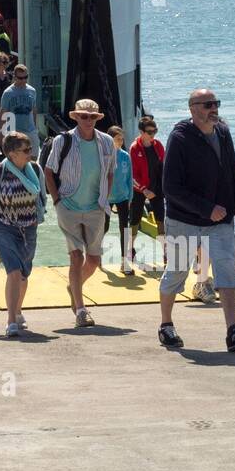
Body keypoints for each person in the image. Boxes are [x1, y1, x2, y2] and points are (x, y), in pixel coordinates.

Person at [158, 88, 235, 353]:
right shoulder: (179, 138)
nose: (213, 109)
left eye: (216, 104)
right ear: (192, 108)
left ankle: (233, 331)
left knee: (226, 270)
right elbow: (170, 188)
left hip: (221, 220)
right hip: (183, 220)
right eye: (207, 105)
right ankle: (166, 325)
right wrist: (206, 208)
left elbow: (234, 174)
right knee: (177, 272)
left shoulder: (223, 133)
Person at [44, 98, 115, 328]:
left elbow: (110, 172)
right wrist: (57, 201)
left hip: (96, 207)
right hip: (69, 207)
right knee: (77, 257)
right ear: (76, 117)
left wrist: (106, 199)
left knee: (93, 261)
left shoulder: (106, 142)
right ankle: (81, 310)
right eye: (84, 116)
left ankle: (73, 288)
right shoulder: (62, 141)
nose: (88, 120)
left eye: (92, 117)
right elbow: (49, 170)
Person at [0, 132, 48, 338]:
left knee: (24, 274)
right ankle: (10, 321)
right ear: (11, 154)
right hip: (2, 226)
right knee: (14, 271)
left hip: (28, 228)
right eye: (25, 150)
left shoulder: (35, 169)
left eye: (30, 149)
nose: (30, 154)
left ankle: (17, 310)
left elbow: (42, 195)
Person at [129, 114, 166, 266]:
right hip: (140, 190)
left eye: (155, 131)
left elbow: (163, 168)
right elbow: (132, 174)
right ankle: (129, 248)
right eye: (150, 132)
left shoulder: (158, 145)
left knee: (161, 221)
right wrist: (144, 190)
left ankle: (165, 253)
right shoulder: (134, 148)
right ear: (142, 132)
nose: (153, 135)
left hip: (157, 188)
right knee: (134, 220)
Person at [107, 125, 135, 273]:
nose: (121, 141)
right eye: (118, 139)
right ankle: (95, 253)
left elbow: (129, 178)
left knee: (124, 228)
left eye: (122, 139)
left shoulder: (125, 155)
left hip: (123, 197)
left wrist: (130, 197)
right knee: (103, 227)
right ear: (110, 139)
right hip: (107, 197)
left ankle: (124, 261)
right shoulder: (105, 155)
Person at [0, 64, 40, 153]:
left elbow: (34, 109)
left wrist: (35, 127)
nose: (23, 80)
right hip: (14, 132)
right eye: (20, 78)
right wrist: (0, 134)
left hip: (30, 130)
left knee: (34, 156)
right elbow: (2, 114)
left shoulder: (32, 91)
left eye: (26, 77)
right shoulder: (8, 93)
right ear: (14, 77)